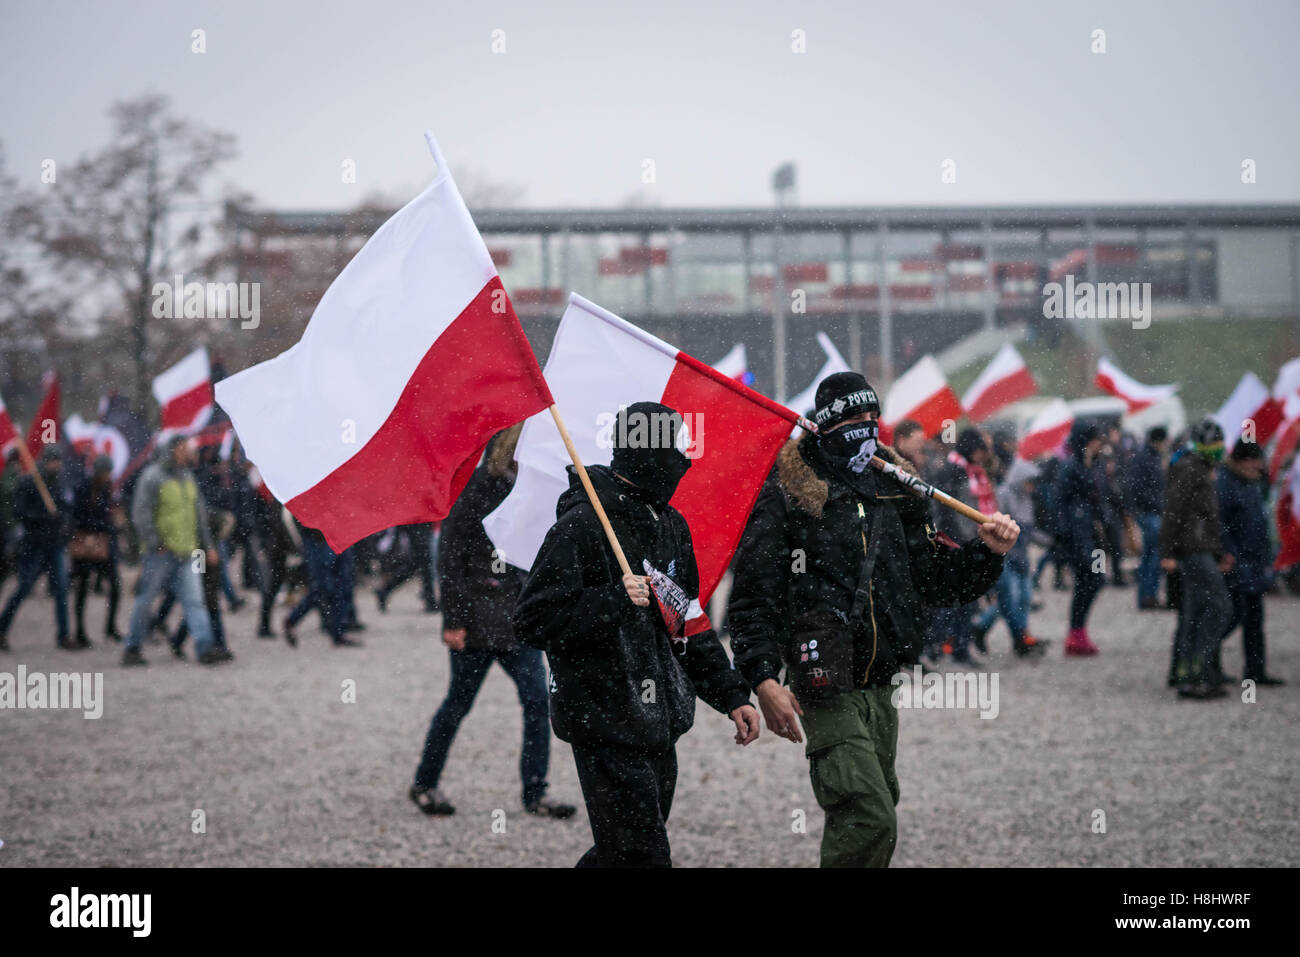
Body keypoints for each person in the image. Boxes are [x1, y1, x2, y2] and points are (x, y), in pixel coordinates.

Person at [728, 373, 1019, 868]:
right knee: (869, 817)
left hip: (882, 682)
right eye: (850, 419)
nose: (863, 428)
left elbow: (934, 578)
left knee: (879, 805)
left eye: (870, 418)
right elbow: (752, 599)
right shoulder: (790, 494)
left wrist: (986, 555)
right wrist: (761, 677)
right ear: (824, 424)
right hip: (824, 681)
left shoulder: (895, 488)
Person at [514, 401, 760, 867]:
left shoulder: (671, 524)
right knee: (643, 854)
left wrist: (732, 695)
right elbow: (532, 620)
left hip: (659, 721)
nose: (683, 462)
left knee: (620, 853)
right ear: (647, 453)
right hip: (602, 717)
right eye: (674, 450)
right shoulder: (582, 526)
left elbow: (688, 620)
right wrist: (612, 600)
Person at [410, 425, 576, 819]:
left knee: (538, 703)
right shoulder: (480, 486)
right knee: (458, 703)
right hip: (476, 618)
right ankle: (424, 783)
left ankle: (536, 792)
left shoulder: (537, 487)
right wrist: (453, 620)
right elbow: (450, 555)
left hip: (519, 618)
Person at [122, 436, 224, 666]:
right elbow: (141, 513)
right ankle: (132, 647)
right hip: (160, 553)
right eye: (181, 449)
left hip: (188, 552)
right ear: (170, 450)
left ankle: (205, 646)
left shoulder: (187, 477)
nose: (185, 453)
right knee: (146, 600)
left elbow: (199, 516)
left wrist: (207, 546)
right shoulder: (152, 477)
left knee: (195, 600)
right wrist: (155, 541)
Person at [1160, 419, 1232, 699]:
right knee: (1219, 608)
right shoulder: (1190, 469)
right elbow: (1174, 512)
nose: (1217, 449)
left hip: (1202, 550)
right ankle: (1198, 671)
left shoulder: (1201, 468)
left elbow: (1206, 518)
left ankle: (1187, 675)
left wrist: (1217, 552)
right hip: (1193, 551)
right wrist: (1166, 552)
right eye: (1211, 444)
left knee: (1195, 614)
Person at [928, 428, 999, 664]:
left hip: (968, 541)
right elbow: (949, 511)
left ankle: (955, 646)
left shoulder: (972, 471)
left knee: (965, 600)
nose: (982, 456)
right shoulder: (954, 471)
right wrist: (959, 542)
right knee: (954, 601)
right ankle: (943, 646)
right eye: (979, 451)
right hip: (956, 543)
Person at [1216, 440, 1283, 686]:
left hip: (1254, 562)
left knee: (1255, 621)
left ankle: (1256, 670)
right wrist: (1228, 553)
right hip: (1236, 563)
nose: (1260, 465)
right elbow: (1220, 523)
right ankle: (1207, 662)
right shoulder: (1225, 483)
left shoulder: (1251, 482)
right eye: (1256, 460)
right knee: (1231, 617)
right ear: (1242, 461)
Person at [0, 446, 73, 650]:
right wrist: (42, 518)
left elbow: (66, 509)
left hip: (55, 544)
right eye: (53, 461)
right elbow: (19, 510)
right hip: (34, 544)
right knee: (23, 588)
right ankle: (2, 628)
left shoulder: (59, 483)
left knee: (61, 590)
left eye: (58, 461)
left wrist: (63, 522)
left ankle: (64, 635)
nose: (56, 465)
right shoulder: (30, 482)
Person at [1056, 421, 1106, 656]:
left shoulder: (1093, 465)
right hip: (1077, 537)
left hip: (1093, 536)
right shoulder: (1070, 467)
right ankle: (1075, 633)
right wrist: (1067, 535)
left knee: (1096, 580)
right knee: (1086, 580)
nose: (1100, 445)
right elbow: (1060, 504)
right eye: (1096, 440)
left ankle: (1078, 630)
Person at [69, 454, 121, 646]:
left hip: (103, 544)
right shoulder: (83, 488)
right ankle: (80, 630)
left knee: (115, 586)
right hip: (87, 544)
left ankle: (110, 626)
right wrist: (101, 525)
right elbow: (77, 517)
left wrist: (111, 525)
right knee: (82, 587)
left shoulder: (107, 489)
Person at [1127, 426, 1169, 609]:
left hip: (1148, 511)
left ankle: (1146, 595)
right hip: (1149, 513)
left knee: (1149, 556)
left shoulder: (1146, 457)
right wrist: (1156, 505)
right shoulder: (1147, 459)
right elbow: (1141, 488)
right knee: (1153, 556)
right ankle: (1148, 596)